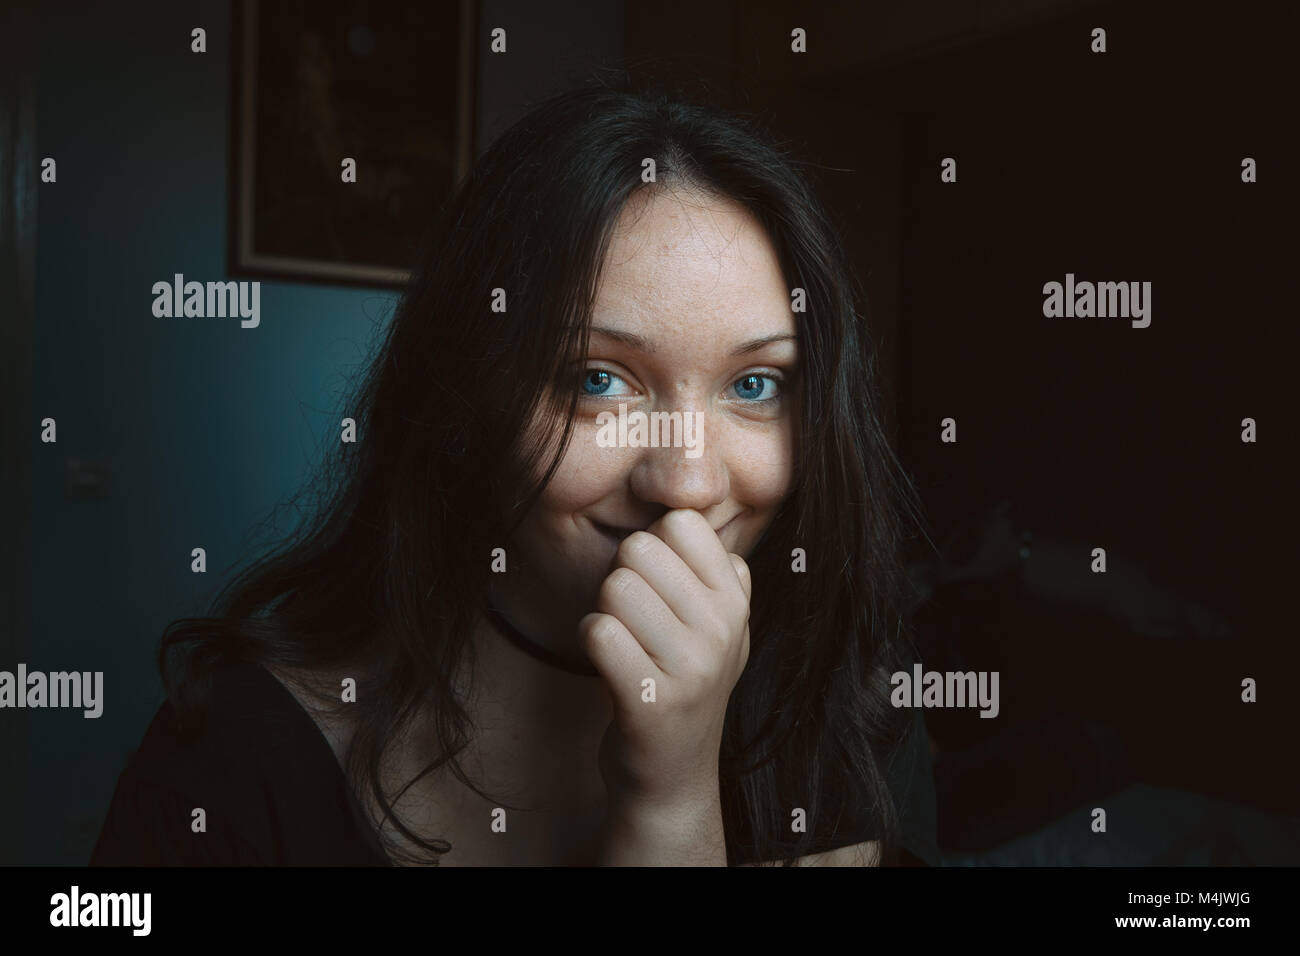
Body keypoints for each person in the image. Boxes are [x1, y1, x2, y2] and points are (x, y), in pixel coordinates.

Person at [90, 76, 939, 867]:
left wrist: (674, 799)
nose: (685, 485)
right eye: (597, 380)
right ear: (470, 400)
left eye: (755, 386)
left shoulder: (847, 724)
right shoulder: (232, 769)